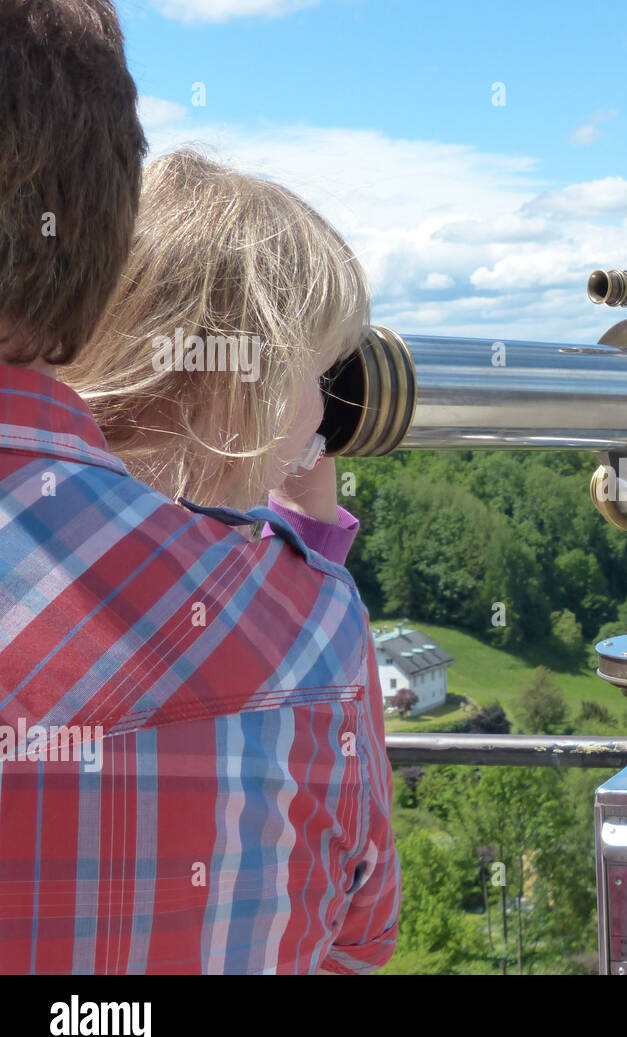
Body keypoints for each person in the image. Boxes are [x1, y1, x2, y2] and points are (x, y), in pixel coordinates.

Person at [0, 0, 399, 974]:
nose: (329, 407)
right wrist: (309, 560)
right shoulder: (301, 624)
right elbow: (359, 936)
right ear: (246, 385)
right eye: (323, 369)